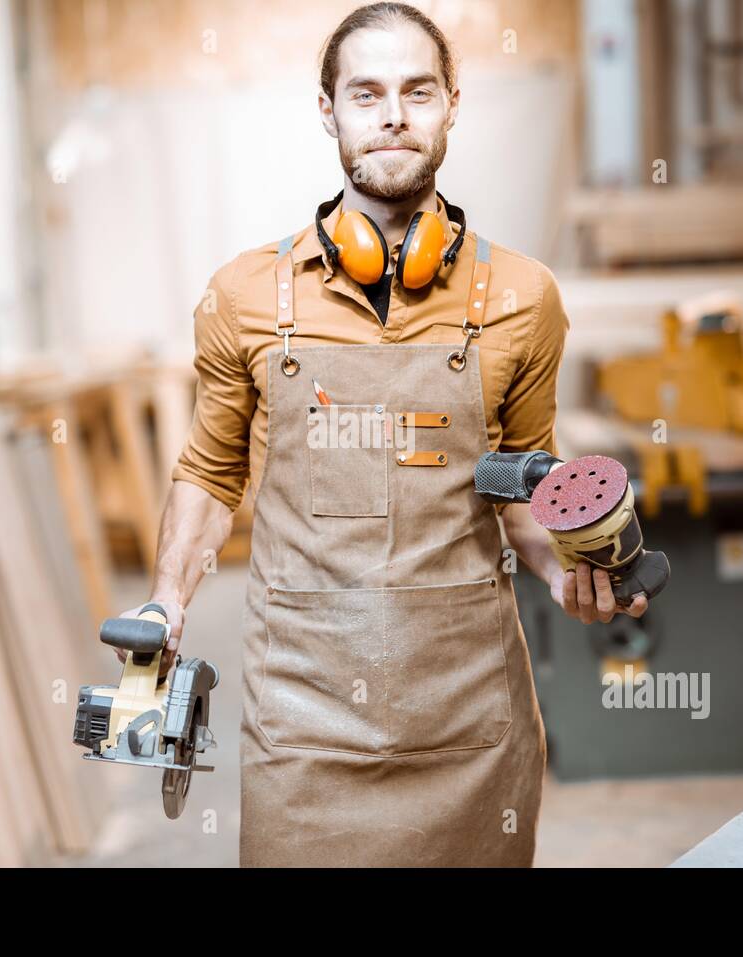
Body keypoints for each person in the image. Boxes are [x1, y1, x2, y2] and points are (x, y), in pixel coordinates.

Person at [128, 2, 649, 867]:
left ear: (452, 103)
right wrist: (167, 600)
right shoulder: (246, 296)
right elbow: (211, 473)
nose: (394, 114)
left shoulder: (525, 298)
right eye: (366, 93)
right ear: (328, 110)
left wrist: (564, 572)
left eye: (418, 91)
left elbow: (521, 490)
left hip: (467, 719)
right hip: (301, 721)